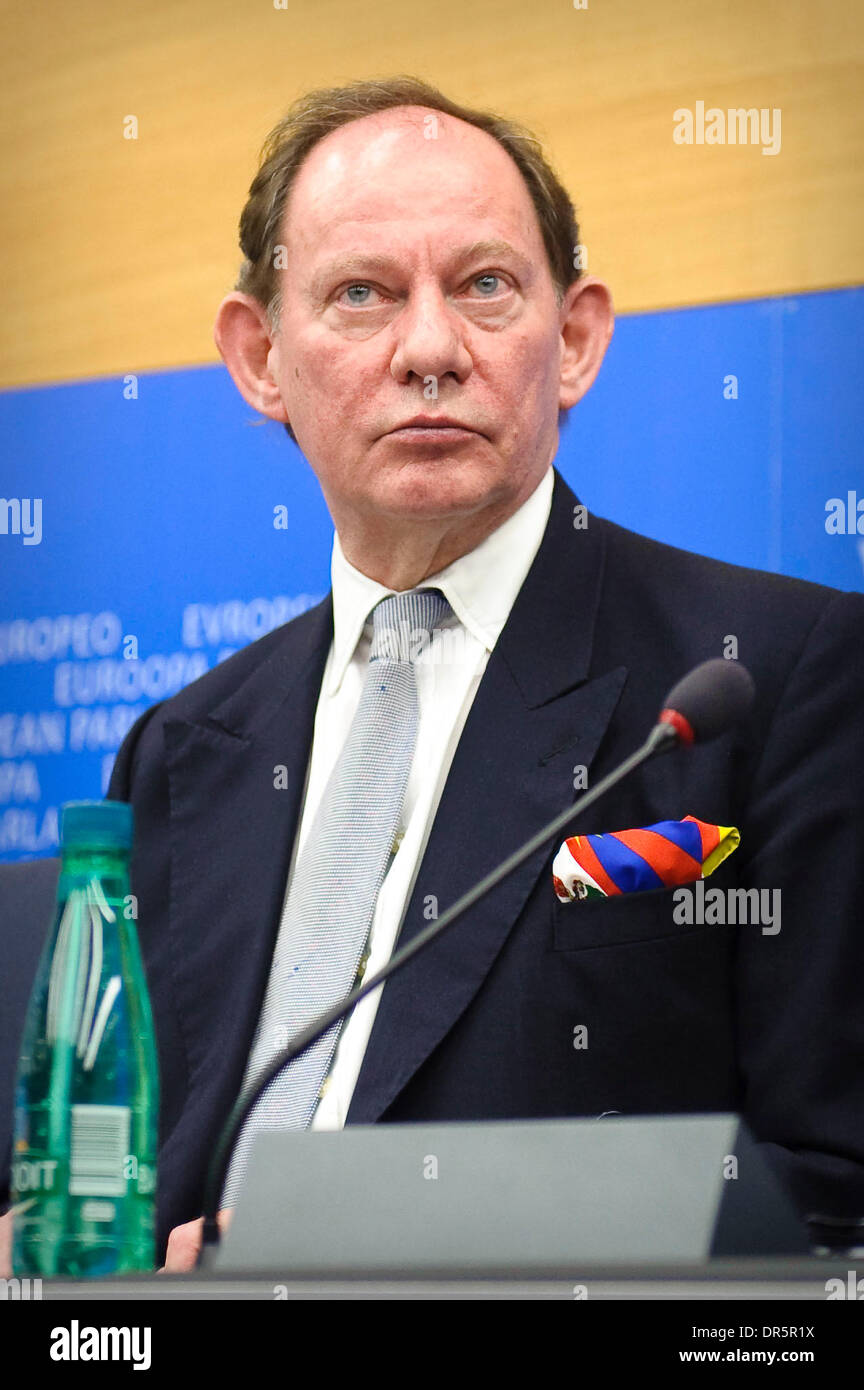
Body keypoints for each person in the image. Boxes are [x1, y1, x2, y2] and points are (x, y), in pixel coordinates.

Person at [4, 76, 863, 1275]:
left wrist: (344, 1242)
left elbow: (829, 1200)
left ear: (573, 340)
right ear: (258, 357)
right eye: (361, 294)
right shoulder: (185, 748)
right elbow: (139, 1178)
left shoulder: (769, 681)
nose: (428, 350)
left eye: (485, 286)